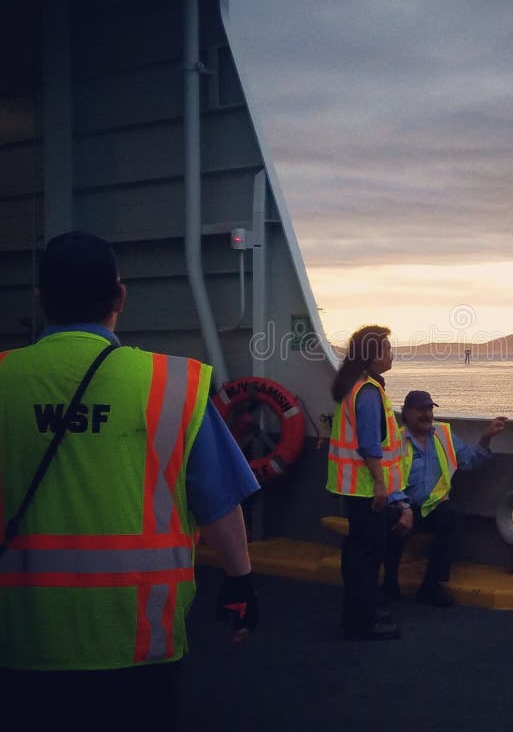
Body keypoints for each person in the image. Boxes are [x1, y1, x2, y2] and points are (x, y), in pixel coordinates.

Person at [0, 231, 261, 732]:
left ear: (40, 300)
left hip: (19, 638)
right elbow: (218, 502)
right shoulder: (173, 386)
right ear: (119, 297)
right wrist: (241, 584)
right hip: (138, 643)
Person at [384, 390, 507, 607]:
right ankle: (389, 583)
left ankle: (431, 586)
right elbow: (388, 479)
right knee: (389, 518)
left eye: (430, 409)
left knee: (452, 515)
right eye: (421, 410)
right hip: (403, 506)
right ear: (407, 413)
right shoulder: (396, 439)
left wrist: (486, 437)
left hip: (432, 508)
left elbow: (468, 461)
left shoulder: (443, 434)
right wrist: (404, 508)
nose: (427, 415)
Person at [326, 325, 405, 640]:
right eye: (386, 349)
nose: (390, 354)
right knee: (368, 555)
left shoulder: (352, 386)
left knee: (358, 553)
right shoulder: (368, 391)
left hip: (353, 487)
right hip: (367, 488)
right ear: (372, 356)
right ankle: (364, 619)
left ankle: (360, 611)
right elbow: (370, 444)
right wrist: (381, 485)